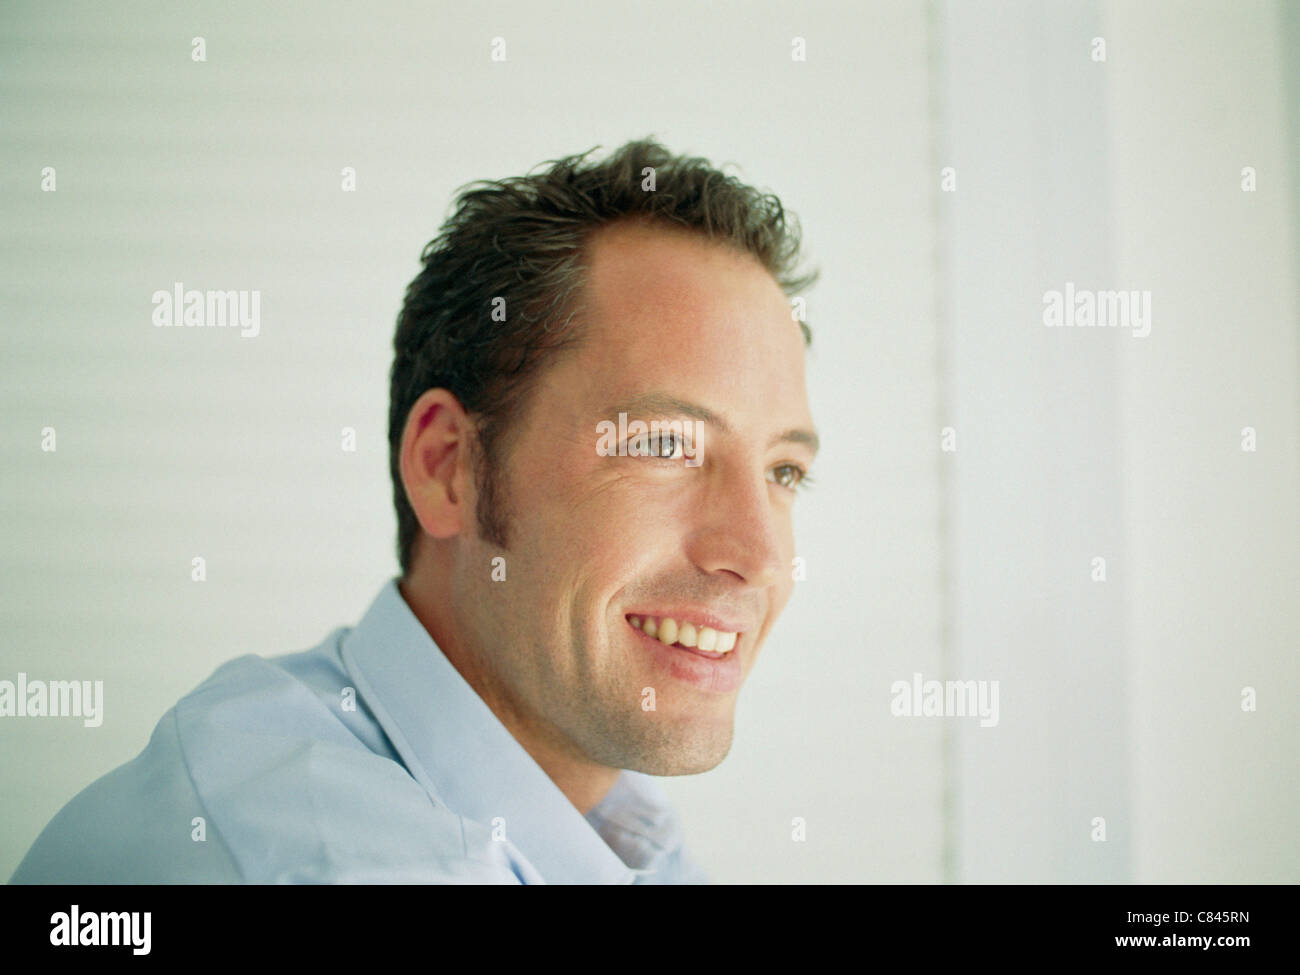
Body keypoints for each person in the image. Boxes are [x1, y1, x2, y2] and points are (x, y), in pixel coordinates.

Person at [11, 138, 821, 884]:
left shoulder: (606, 822)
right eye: (664, 446)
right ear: (448, 469)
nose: (756, 553)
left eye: (784, 469)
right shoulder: (327, 856)